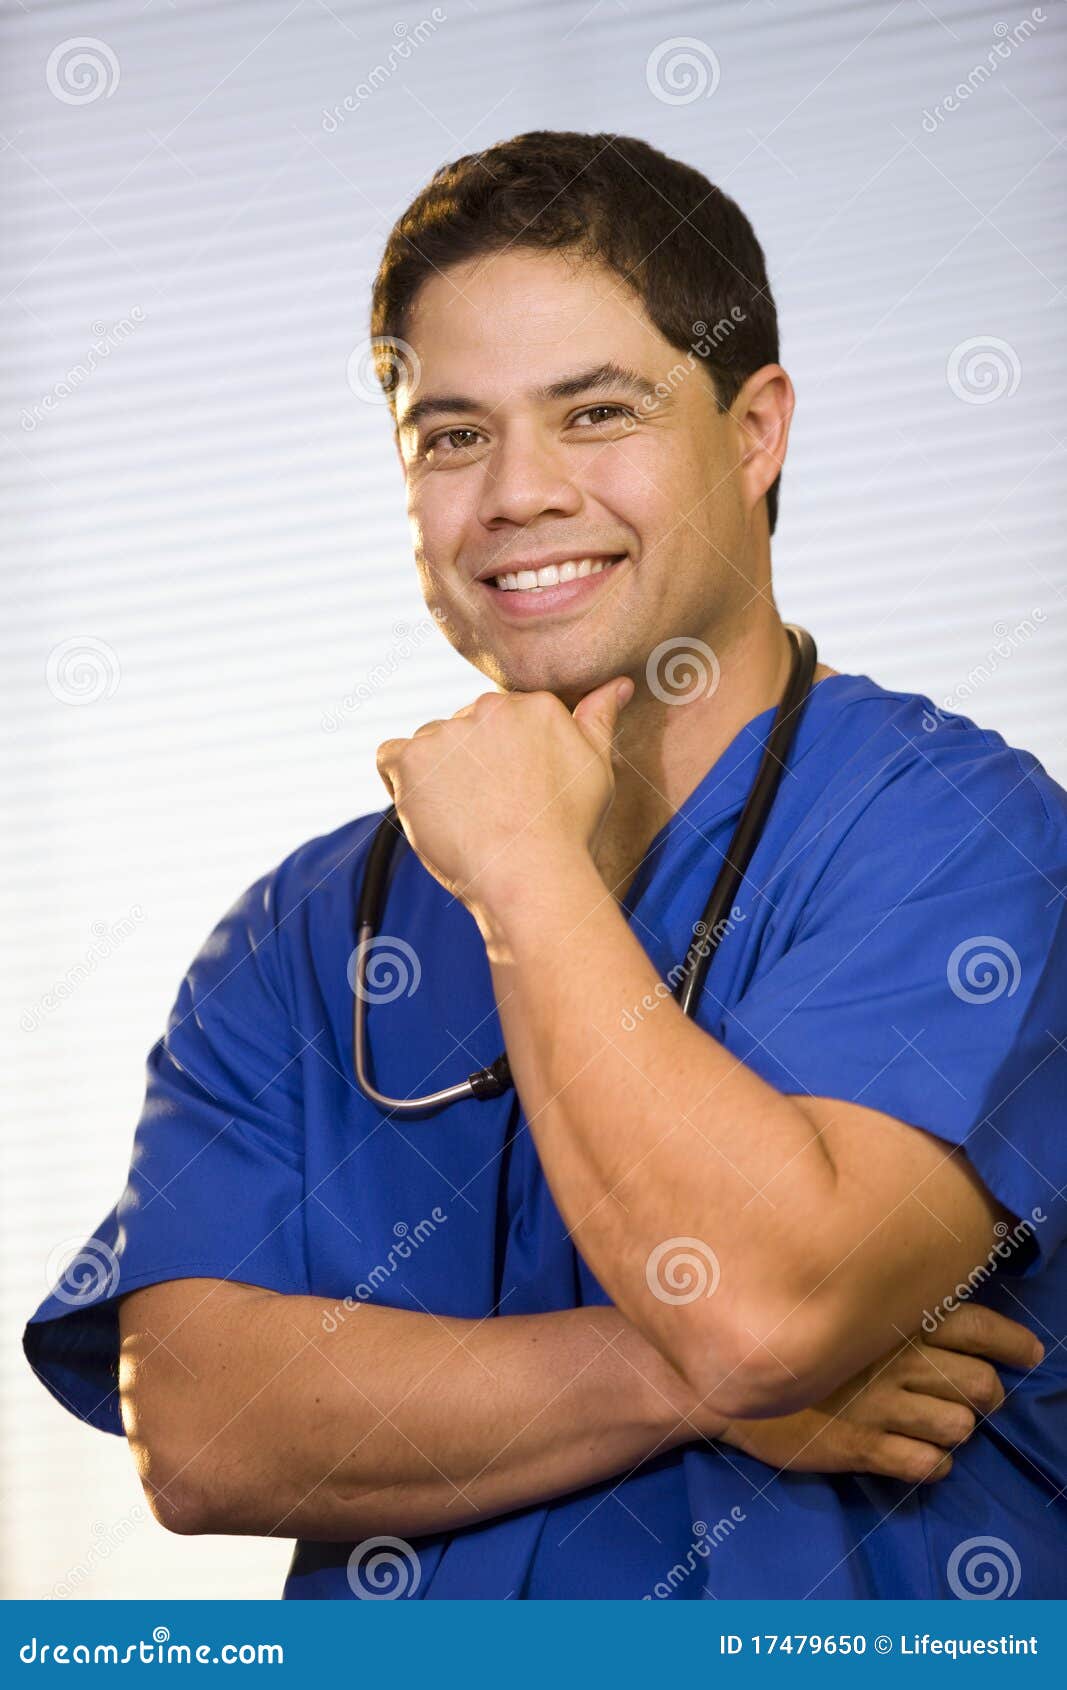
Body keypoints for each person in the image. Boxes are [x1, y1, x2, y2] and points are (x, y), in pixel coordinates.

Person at [24, 131, 1067, 1601]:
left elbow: (766, 1307)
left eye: (595, 412)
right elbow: (197, 1428)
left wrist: (524, 868)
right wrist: (680, 1380)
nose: (518, 492)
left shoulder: (958, 834)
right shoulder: (301, 932)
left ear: (755, 430)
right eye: (452, 434)